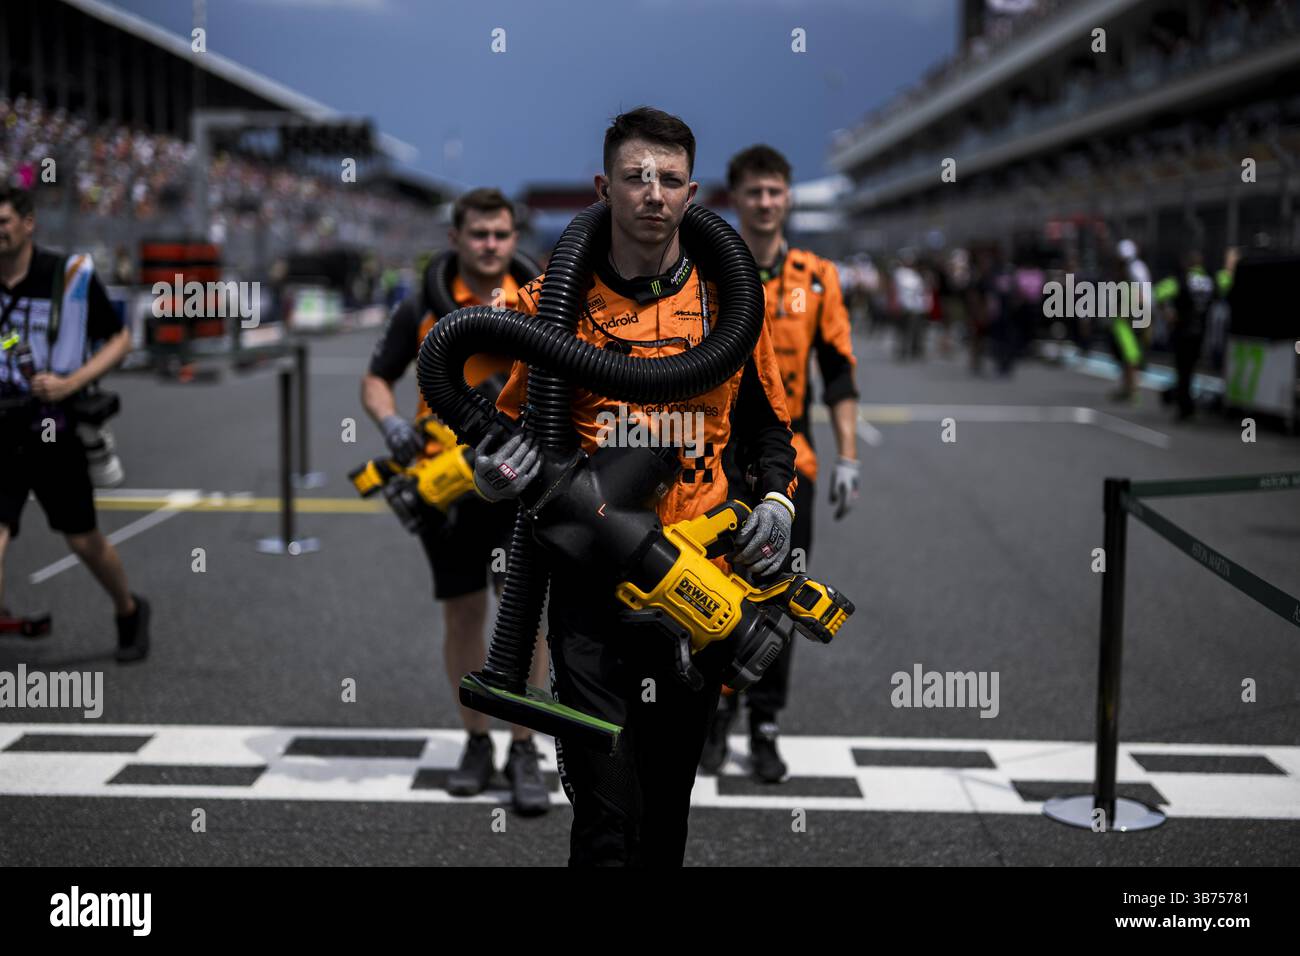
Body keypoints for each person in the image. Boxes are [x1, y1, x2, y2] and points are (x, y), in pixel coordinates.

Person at [481, 107, 798, 865]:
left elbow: (767, 429)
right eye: (635, 177)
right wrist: (494, 472)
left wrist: (780, 500)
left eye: (669, 179)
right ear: (605, 187)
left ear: (692, 193)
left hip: (694, 589)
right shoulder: (555, 308)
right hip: (590, 592)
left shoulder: (730, 304)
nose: (652, 194)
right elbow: (500, 426)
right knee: (603, 825)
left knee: (664, 821)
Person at [361, 188, 550, 815]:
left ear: (513, 237)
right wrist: (390, 425)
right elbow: (375, 379)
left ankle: (524, 746)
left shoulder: (545, 296)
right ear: (456, 238)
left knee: (524, 617)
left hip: (521, 480)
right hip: (444, 484)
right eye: (479, 234)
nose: (491, 245)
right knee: (464, 616)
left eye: (501, 234)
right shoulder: (419, 304)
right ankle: (476, 743)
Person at [699, 144, 860, 782]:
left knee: (780, 596)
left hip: (791, 468)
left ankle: (765, 722)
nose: (765, 203)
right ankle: (713, 715)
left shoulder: (819, 277)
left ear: (788, 197)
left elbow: (840, 375)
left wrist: (849, 456)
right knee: (709, 592)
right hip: (711, 463)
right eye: (753, 192)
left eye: (775, 191)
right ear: (733, 199)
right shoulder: (705, 271)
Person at [0, 186, 150, 659]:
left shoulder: (70, 276)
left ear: (28, 223)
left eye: (3, 221)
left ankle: (128, 610)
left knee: (83, 539)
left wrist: (70, 384)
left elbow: (120, 340)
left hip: (51, 426)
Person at [1155, 248, 1217, 421]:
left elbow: (1159, 292)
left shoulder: (1181, 280)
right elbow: (1225, 286)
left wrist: (1167, 311)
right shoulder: (1210, 280)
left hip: (1182, 331)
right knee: (1190, 370)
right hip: (1201, 333)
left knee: (1183, 371)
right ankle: (1184, 401)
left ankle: (1184, 407)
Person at [1110, 239, 1150, 403]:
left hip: (1132, 316)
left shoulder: (1133, 269)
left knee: (1130, 353)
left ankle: (1132, 389)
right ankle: (1128, 387)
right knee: (1128, 353)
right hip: (1135, 315)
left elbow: (1140, 295)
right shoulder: (1138, 267)